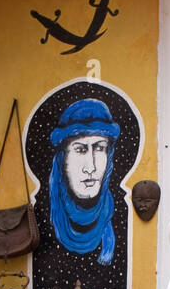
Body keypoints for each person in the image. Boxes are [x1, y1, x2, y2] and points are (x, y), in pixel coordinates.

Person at [48, 98, 120, 264]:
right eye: (80, 149)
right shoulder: (45, 211)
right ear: (62, 159)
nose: (91, 167)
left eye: (100, 148)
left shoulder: (120, 211)